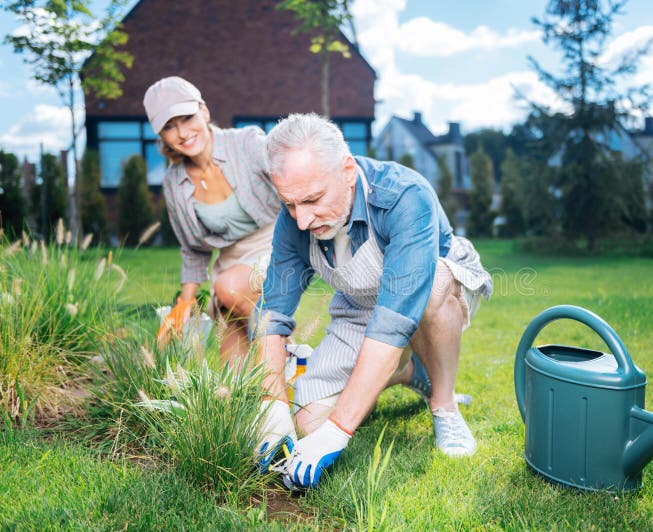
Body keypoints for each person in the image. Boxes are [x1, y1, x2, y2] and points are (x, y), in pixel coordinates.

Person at [249, 113, 492, 489]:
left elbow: (394, 321)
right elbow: (272, 315)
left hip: (438, 288)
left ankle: (444, 404)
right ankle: (408, 372)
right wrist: (273, 408)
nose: (301, 220)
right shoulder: (293, 221)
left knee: (434, 287)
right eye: (291, 204)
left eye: (313, 200)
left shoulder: (404, 196)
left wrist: (339, 432)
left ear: (347, 170)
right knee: (309, 421)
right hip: (360, 304)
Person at [143, 76, 281, 365]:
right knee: (233, 380)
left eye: (187, 118)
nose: (181, 133)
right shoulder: (174, 184)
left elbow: (289, 173)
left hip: (279, 243)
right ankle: (293, 366)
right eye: (169, 126)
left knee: (228, 288)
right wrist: (183, 306)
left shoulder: (246, 143)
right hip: (230, 262)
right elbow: (193, 250)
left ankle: (288, 358)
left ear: (203, 110)